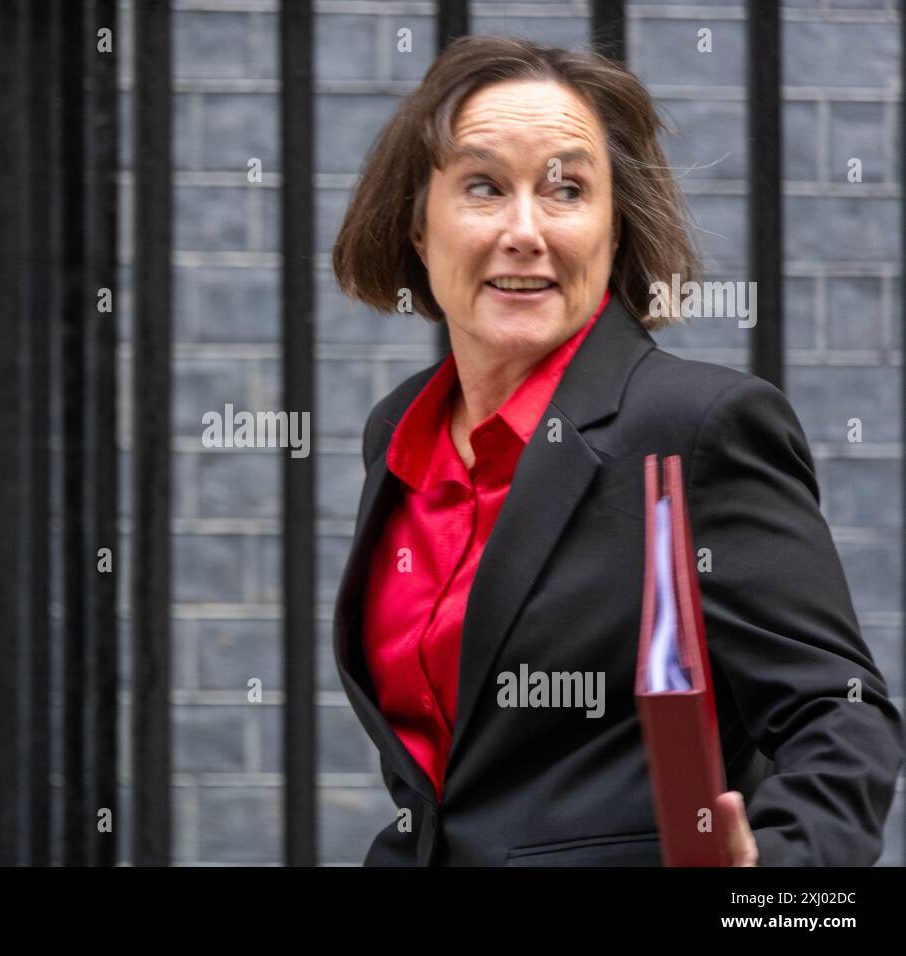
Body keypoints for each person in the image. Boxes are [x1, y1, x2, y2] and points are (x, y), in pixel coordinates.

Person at [330, 35, 904, 866]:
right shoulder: (400, 432)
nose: (524, 230)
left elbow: (840, 715)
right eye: (483, 186)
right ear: (418, 226)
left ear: (615, 229)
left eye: (567, 190)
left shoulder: (698, 426)